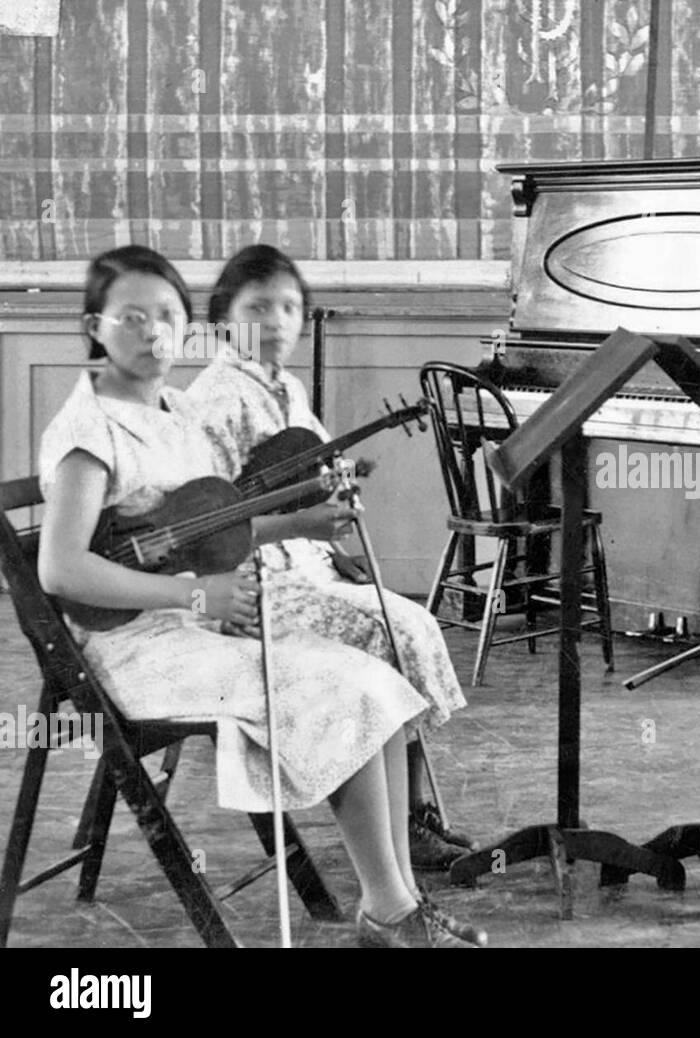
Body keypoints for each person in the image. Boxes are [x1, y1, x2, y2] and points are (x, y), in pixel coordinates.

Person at [37, 245, 484, 948]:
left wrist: (297, 525)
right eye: (132, 317)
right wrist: (194, 600)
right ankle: (392, 912)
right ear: (95, 326)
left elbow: (211, 534)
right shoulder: (88, 431)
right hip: (133, 647)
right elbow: (62, 572)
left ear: (189, 326)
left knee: (376, 681)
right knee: (339, 689)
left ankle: (392, 901)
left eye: (167, 316)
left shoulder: (176, 411)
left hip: (198, 626)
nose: (153, 332)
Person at [186, 244, 475, 871]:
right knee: (385, 628)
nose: (277, 320)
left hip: (305, 567)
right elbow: (208, 530)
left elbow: (308, 482)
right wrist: (304, 523)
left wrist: (332, 529)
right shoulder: (214, 398)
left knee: (409, 621)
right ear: (221, 316)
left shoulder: (284, 388)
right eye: (257, 306)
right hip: (253, 582)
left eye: (290, 306)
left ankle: (412, 811)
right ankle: (400, 823)